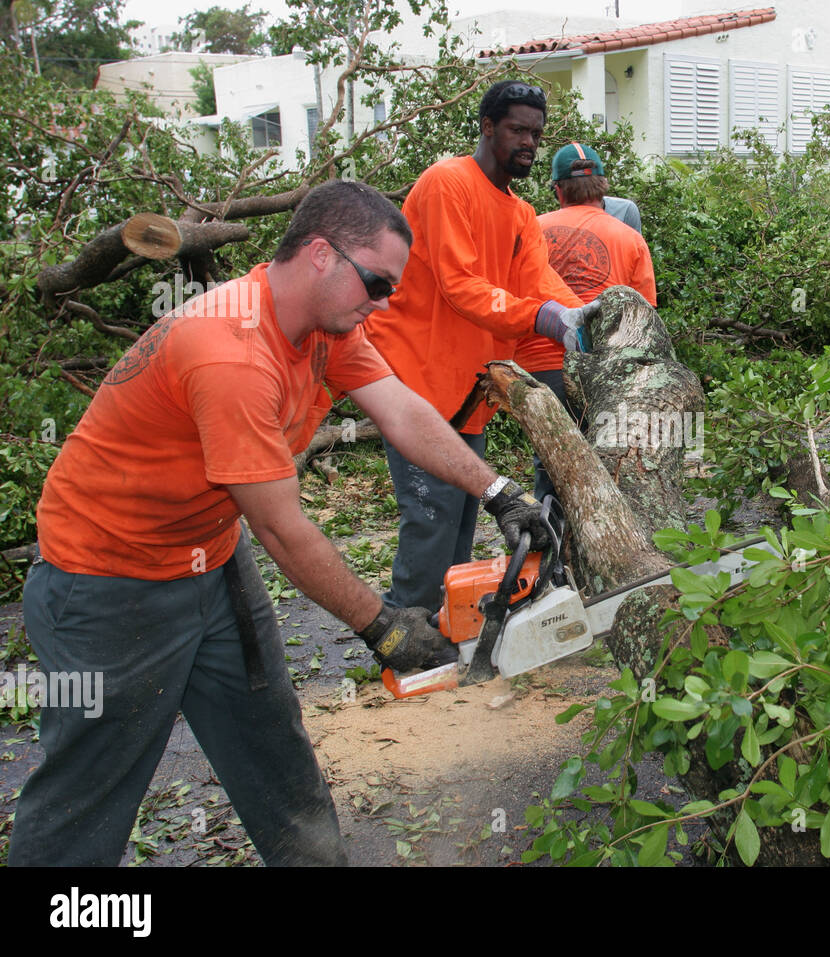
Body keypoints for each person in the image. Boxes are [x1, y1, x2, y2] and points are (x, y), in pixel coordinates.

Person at [10, 179, 549, 866]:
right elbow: (284, 529)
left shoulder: (325, 326)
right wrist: (383, 628)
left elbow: (402, 409)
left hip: (210, 556)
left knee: (271, 743)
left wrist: (500, 491)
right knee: (85, 798)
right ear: (321, 255)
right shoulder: (231, 352)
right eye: (378, 284)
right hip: (110, 583)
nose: (384, 303)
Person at [363, 81, 598, 611]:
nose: (529, 143)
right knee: (431, 518)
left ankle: (447, 625)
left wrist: (584, 316)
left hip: (468, 391)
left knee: (464, 513)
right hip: (414, 382)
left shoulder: (520, 213)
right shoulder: (449, 183)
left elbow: (540, 284)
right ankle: (404, 635)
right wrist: (542, 317)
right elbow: (459, 284)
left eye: (537, 133)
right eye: (517, 129)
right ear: (488, 127)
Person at [513, 142, 657, 500]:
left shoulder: (530, 230)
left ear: (558, 189)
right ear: (603, 187)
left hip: (541, 367)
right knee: (605, 462)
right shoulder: (631, 239)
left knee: (551, 465)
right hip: (604, 371)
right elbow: (643, 318)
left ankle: (548, 551)